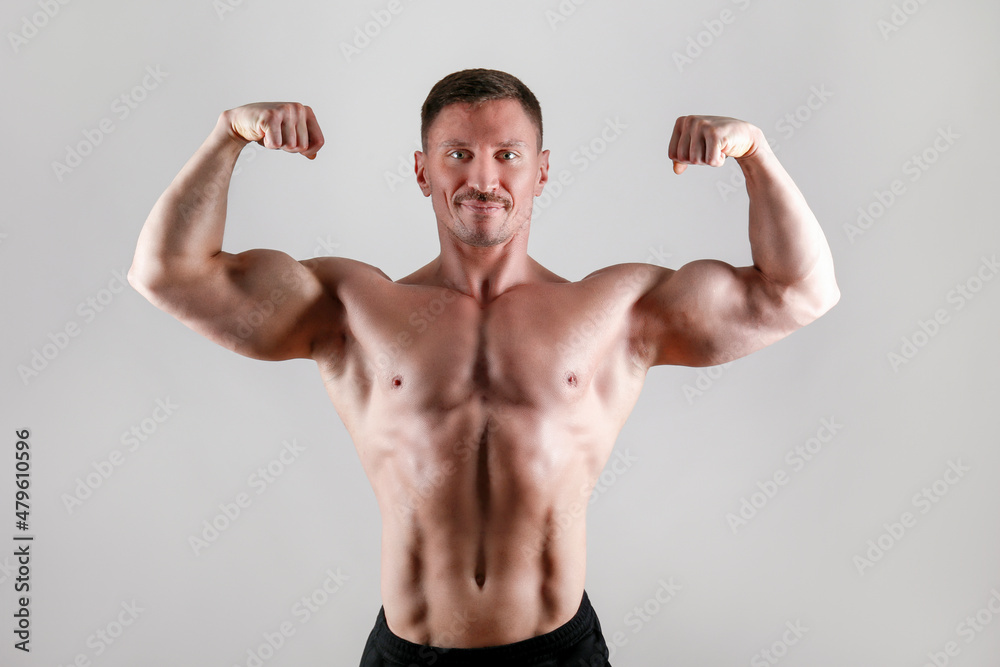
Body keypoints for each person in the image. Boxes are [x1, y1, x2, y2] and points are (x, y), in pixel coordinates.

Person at [128, 68, 840, 666]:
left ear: (543, 171)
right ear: (421, 170)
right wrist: (228, 136)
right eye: (458, 153)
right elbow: (168, 274)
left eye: (508, 154)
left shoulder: (617, 310)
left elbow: (799, 291)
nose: (483, 176)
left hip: (555, 651)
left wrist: (755, 153)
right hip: (411, 650)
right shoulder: (354, 306)